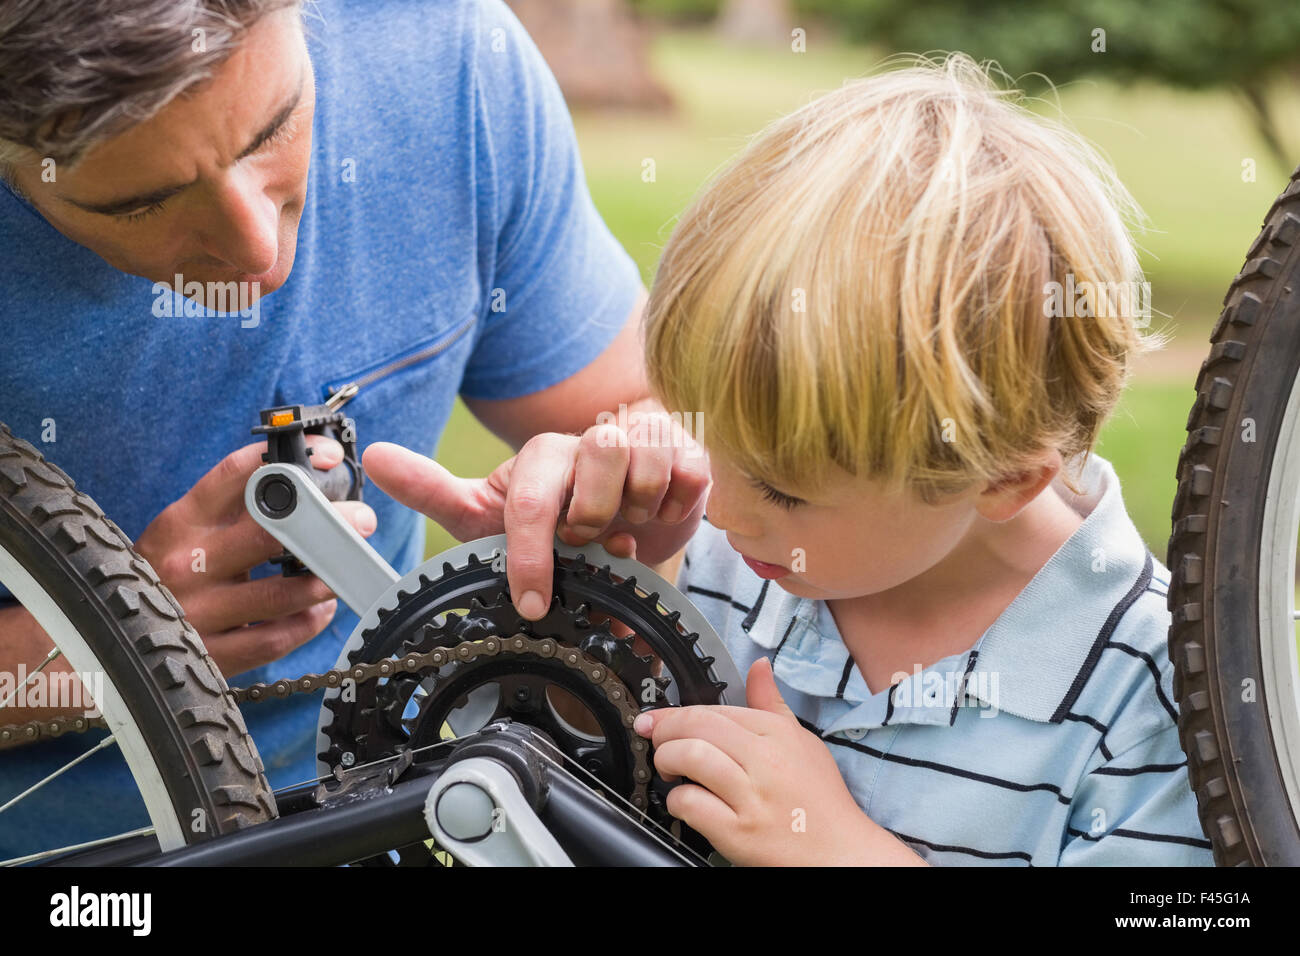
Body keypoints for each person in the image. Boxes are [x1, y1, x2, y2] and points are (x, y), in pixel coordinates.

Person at [387, 53, 1217, 865]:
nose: (718, 507)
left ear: (1002, 477)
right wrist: (585, 626)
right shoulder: (725, 569)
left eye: (782, 489)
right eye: (709, 436)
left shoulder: (1155, 699)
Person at [0, 0, 708, 857]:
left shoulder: (445, 52)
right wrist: (94, 645)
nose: (259, 251)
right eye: (144, 203)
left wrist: (611, 486)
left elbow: (643, 403)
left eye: (274, 128)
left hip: (399, 810)